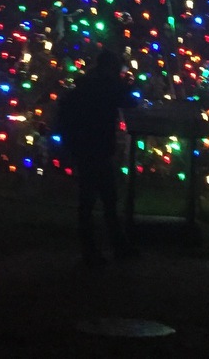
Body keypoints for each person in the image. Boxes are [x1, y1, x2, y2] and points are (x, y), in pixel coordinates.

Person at [57, 49, 137, 266]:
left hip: (84, 144)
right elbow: (129, 100)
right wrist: (130, 82)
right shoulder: (107, 84)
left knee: (91, 198)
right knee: (104, 198)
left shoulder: (86, 83)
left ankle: (97, 247)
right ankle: (105, 248)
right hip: (97, 145)